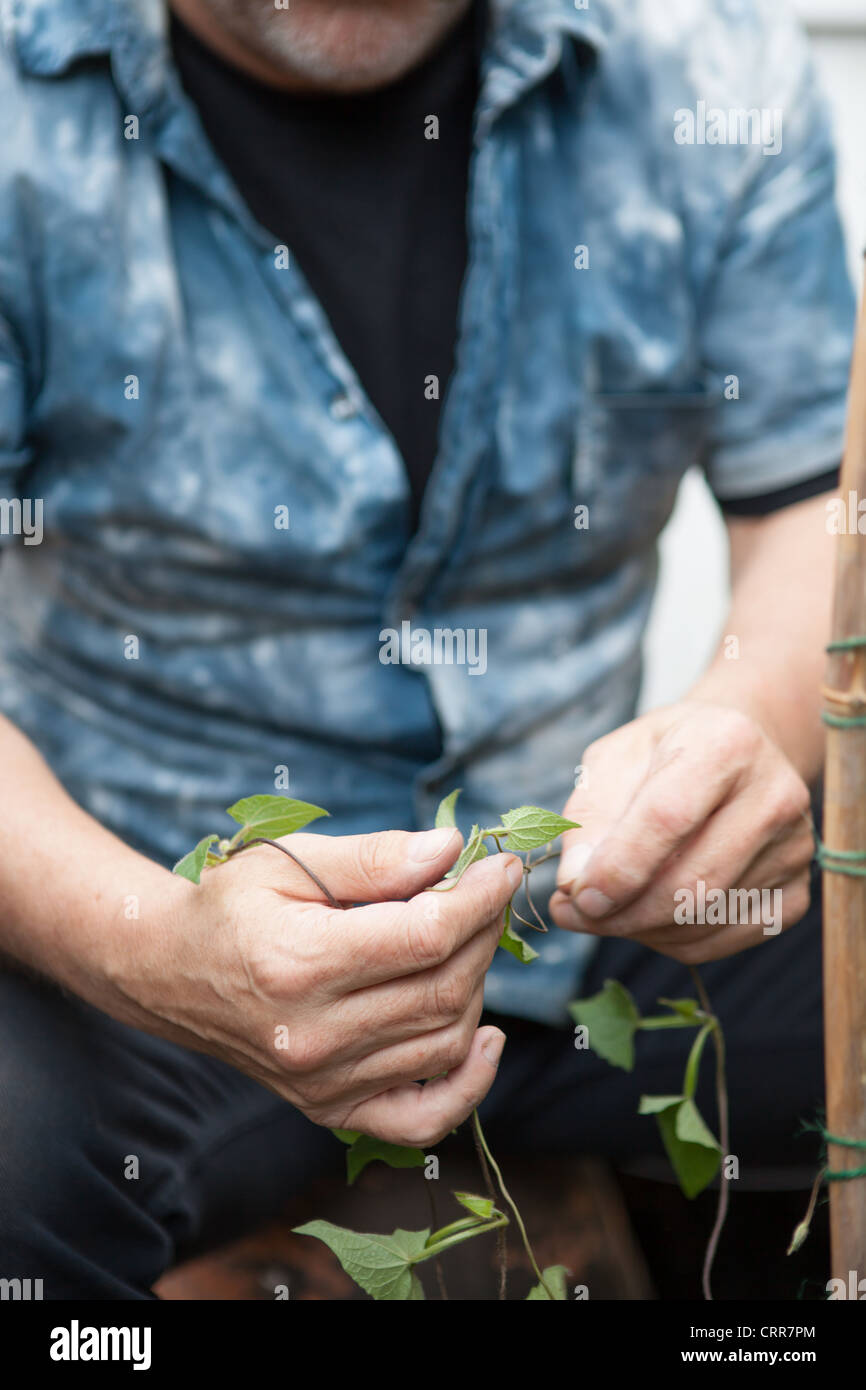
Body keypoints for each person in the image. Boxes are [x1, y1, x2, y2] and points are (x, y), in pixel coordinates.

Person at [0, 0, 853, 1298]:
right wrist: (146, 943)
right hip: (135, 922)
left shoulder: (707, 68)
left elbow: (807, 499)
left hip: (586, 905)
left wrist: (746, 729)